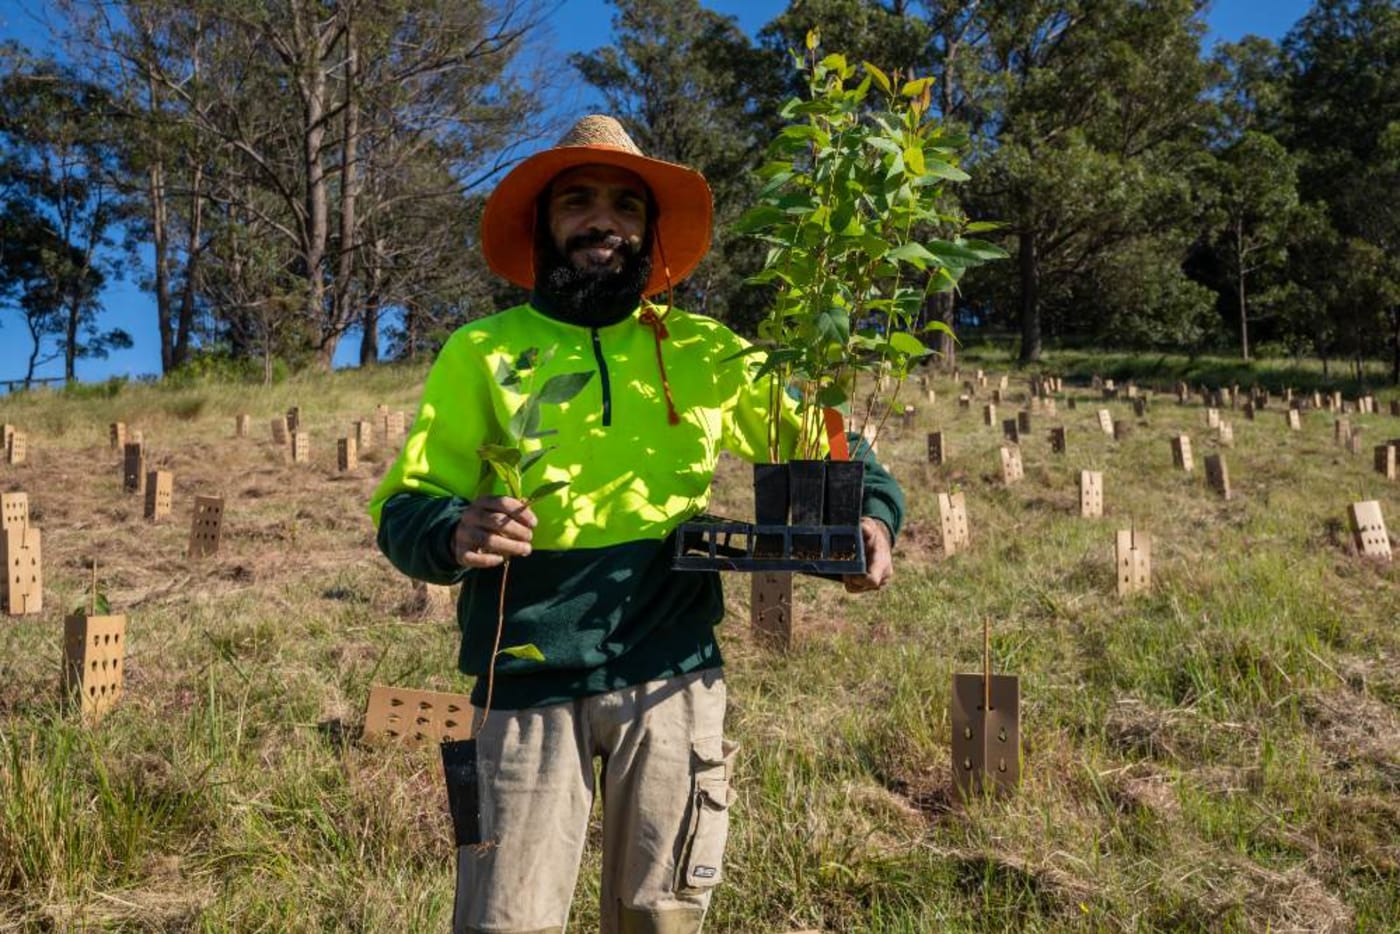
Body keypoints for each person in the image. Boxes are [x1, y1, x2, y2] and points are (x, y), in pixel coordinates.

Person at [368, 115, 904, 934]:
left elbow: (828, 439)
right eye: (577, 201)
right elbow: (406, 505)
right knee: (503, 920)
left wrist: (871, 513)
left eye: (625, 204)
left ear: (649, 232)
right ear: (543, 226)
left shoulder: (703, 350)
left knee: (662, 917)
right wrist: (453, 530)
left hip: (675, 676)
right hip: (523, 678)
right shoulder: (481, 352)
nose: (602, 221)